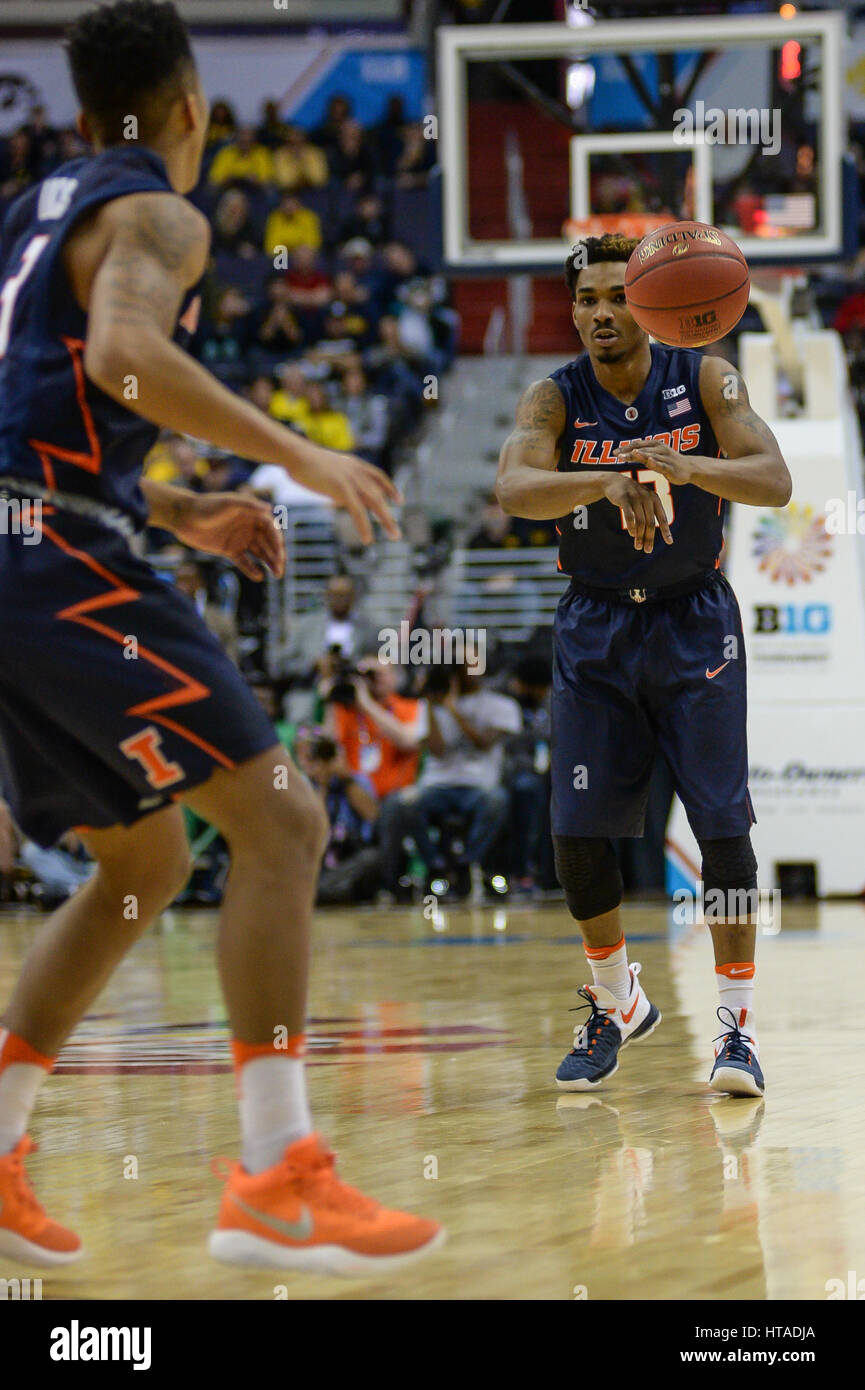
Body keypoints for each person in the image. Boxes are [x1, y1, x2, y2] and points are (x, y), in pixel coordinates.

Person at [0, 0, 440, 1272]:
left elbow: (51, 403)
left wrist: (181, 503)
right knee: (288, 816)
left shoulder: (32, 218)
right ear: (190, 112)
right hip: (51, 553)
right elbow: (130, 359)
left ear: (87, 115)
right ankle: (275, 1174)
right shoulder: (160, 212)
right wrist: (299, 448)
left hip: (25, 541)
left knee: (142, 859)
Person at [495, 233, 792, 1098]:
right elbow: (514, 491)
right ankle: (616, 1000)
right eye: (584, 299)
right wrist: (603, 481)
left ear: (652, 301)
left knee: (721, 830)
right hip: (594, 628)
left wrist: (678, 464)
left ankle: (734, 1030)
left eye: (616, 297)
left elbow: (771, 479)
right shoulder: (552, 398)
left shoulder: (704, 378)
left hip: (693, 621)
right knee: (577, 836)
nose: (598, 314)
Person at [408, 665, 521, 899]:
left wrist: (452, 708)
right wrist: (430, 703)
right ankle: (436, 865)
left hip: (478, 785)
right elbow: (436, 751)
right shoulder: (427, 707)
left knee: (497, 800)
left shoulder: (499, 705)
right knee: (402, 804)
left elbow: (482, 742)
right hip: (437, 785)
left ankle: (467, 864)